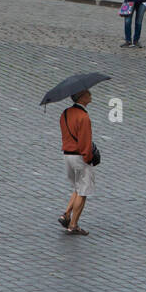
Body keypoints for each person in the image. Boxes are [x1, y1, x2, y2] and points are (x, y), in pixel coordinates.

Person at [56, 88, 94, 237]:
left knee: (77, 188)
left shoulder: (65, 113)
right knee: (83, 192)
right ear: (82, 97)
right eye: (88, 93)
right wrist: (89, 158)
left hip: (67, 155)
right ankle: (73, 225)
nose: (91, 95)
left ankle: (65, 214)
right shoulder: (83, 117)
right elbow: (85, 142)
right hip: (80, 157)